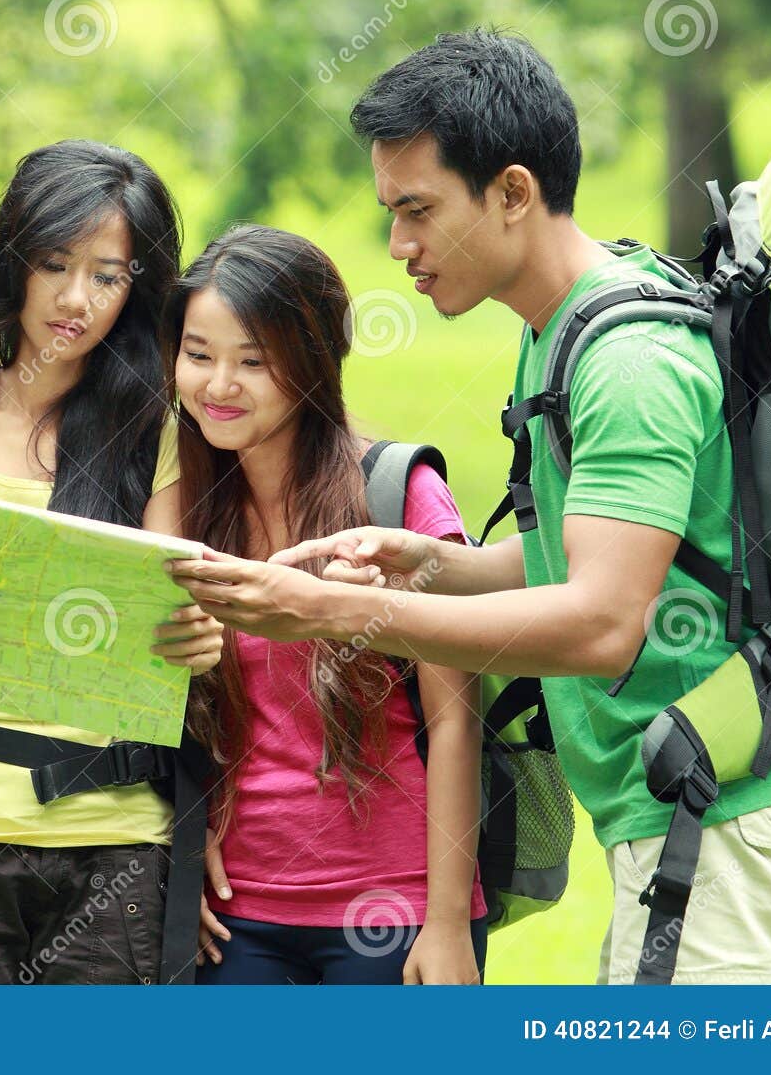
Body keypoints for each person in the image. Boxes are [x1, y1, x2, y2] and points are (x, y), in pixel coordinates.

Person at [168, 30, 771, 985]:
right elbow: (583, 560)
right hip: (694, 808)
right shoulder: (561, 329)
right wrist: (428, 562)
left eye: (418, 210)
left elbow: (603, 622)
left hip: (724, 818)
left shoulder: (627, 360)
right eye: (391, 213)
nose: (399, 246)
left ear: (513, 192)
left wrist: (337, 612)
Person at [0, 139, 223, 985]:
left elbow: (175, 622)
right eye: (54, 264)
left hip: (115, 845)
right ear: (13, 261)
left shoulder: (157, 437)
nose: (75, 299)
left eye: (108, 275)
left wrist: (200, 643)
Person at [165, 224, 484, 985]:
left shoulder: (396, 497)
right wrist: (187, 840)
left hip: (395, 906)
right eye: (198, 355)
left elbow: (454, 720)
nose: (219, 385)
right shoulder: (180, 508)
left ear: (310, 361)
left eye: (253, 361)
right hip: (237, 915)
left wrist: (446, 922)